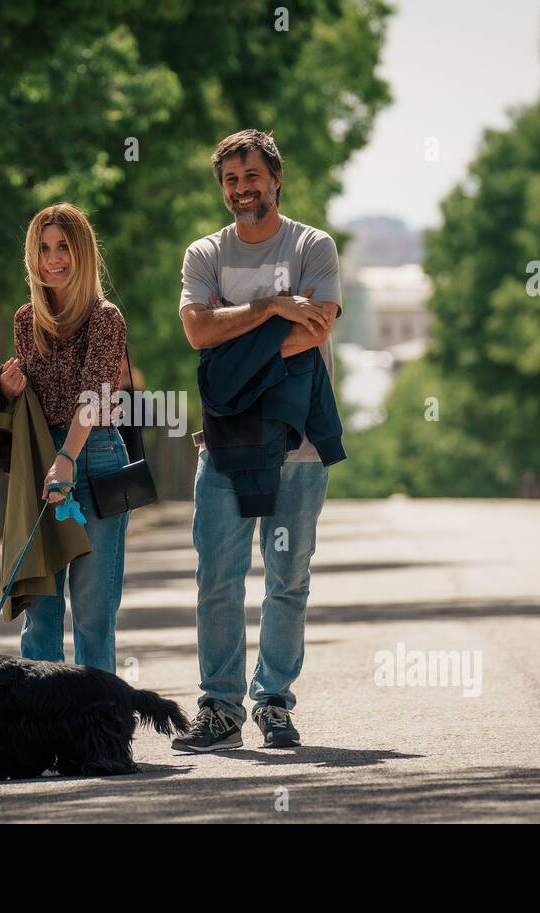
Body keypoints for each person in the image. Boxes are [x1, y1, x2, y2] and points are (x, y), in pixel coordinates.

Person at [173, 129, 343, 751]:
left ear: (275, 179)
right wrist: (274, 307)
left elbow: (318, 324)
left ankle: (273, 702)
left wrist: (233, 344)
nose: (241, 189)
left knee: (287, 578)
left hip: (296, 444)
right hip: (222, 445)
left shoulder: (313, 246)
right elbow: (195, 330)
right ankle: (219, 708)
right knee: (217, 576)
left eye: (251, 177)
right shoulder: (204, 254)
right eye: (230, 180)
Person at [0, 203, 129, 673]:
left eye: (64, 248)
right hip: (44, 459)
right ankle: (42, 725)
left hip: (95, 457)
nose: (53, 259)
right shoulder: (25, 320)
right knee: (42, 607)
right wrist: (11, 390)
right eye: (44, 248)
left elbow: (94, 397)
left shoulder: (105, 317)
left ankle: (99, 729)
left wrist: (67, 458)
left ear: (83, 253)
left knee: (93, 610)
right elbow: (35, 406)